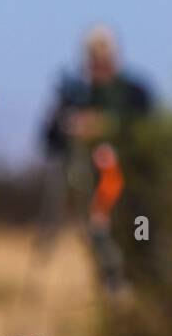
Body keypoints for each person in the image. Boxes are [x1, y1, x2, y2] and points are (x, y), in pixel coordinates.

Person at [39, 24, 153, 292]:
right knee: (100, 238)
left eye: (105, 53)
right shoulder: (76, 95)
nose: (99, 60)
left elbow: (147, 128)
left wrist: (106, 124)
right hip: (90, 188)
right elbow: (49, 141)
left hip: (135, 190)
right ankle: (114, 292)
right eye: (93, 55)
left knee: (142, 241)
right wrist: (68, 123)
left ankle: (145, 290)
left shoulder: (134, 92)